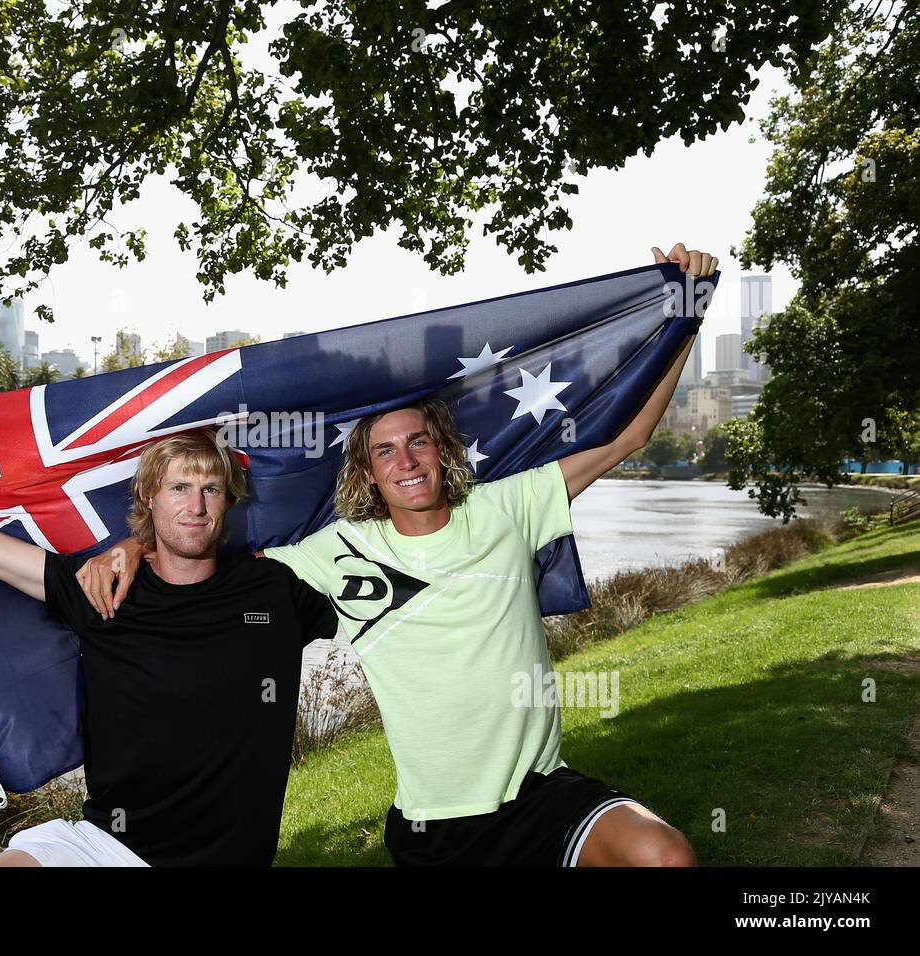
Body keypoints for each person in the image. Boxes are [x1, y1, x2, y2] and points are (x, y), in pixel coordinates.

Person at [77, 243, 716, 866]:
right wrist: (136, 542)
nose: (405, 461)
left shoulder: (510, 506)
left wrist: (685, 315)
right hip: (431, 826)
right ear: (368, 471)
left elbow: (629, 436)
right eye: (385, 450)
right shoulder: (334, 550)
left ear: (442, 448)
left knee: (664, 855)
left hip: (539, 793)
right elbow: (204, 554)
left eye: (418, 442)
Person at [0, 405, 337, 867]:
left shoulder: (276, 588)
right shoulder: (100, 588)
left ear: (228, 500)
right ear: (148, 497)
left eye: (211, 489)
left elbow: (373, 553)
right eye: (179, 488)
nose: (195, 506)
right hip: (108, 847)